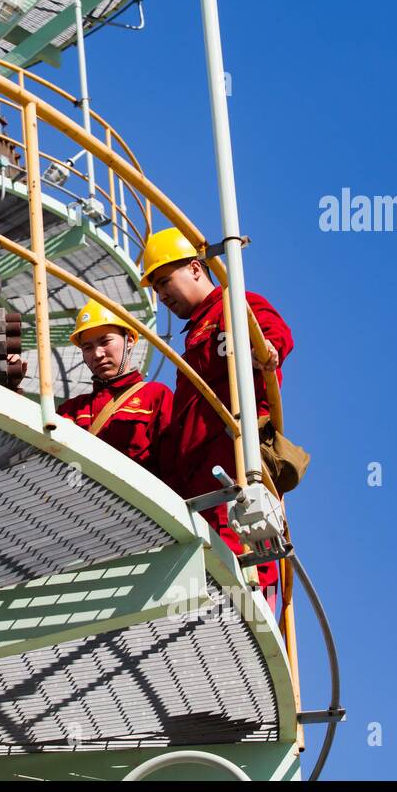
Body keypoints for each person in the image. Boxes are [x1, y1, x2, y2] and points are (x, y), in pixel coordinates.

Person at [142, 227, 293, 610]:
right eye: (156, 289)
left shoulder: (234, 304)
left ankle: (256, 616)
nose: (162, 296)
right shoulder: (194, 335)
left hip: (232, 466)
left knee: (244, 556)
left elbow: (274, 335)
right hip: (198, 476)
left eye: (165, 281)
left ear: (195, 268)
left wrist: (268, 351)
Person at [57, 299, 171, 467]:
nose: (97, 354)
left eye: (105, 342)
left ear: (130, 339)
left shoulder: (155, 396)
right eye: (87, 348)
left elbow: (175, 465)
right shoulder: (70, 410)